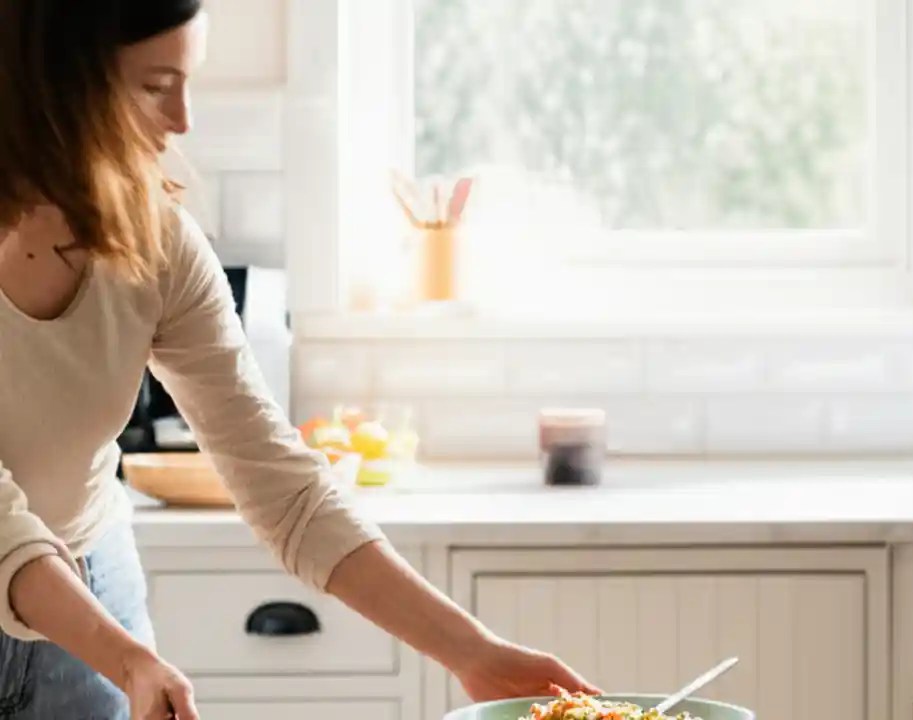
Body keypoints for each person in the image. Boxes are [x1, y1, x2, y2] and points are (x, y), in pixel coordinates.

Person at [0, 2, 601, 718]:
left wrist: (474, 652)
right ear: (57, 84)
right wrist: (125, 658)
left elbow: (284, 487)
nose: (183, 120)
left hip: (91, 581)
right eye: (157, 86)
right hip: (87, 624)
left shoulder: (157, 248)